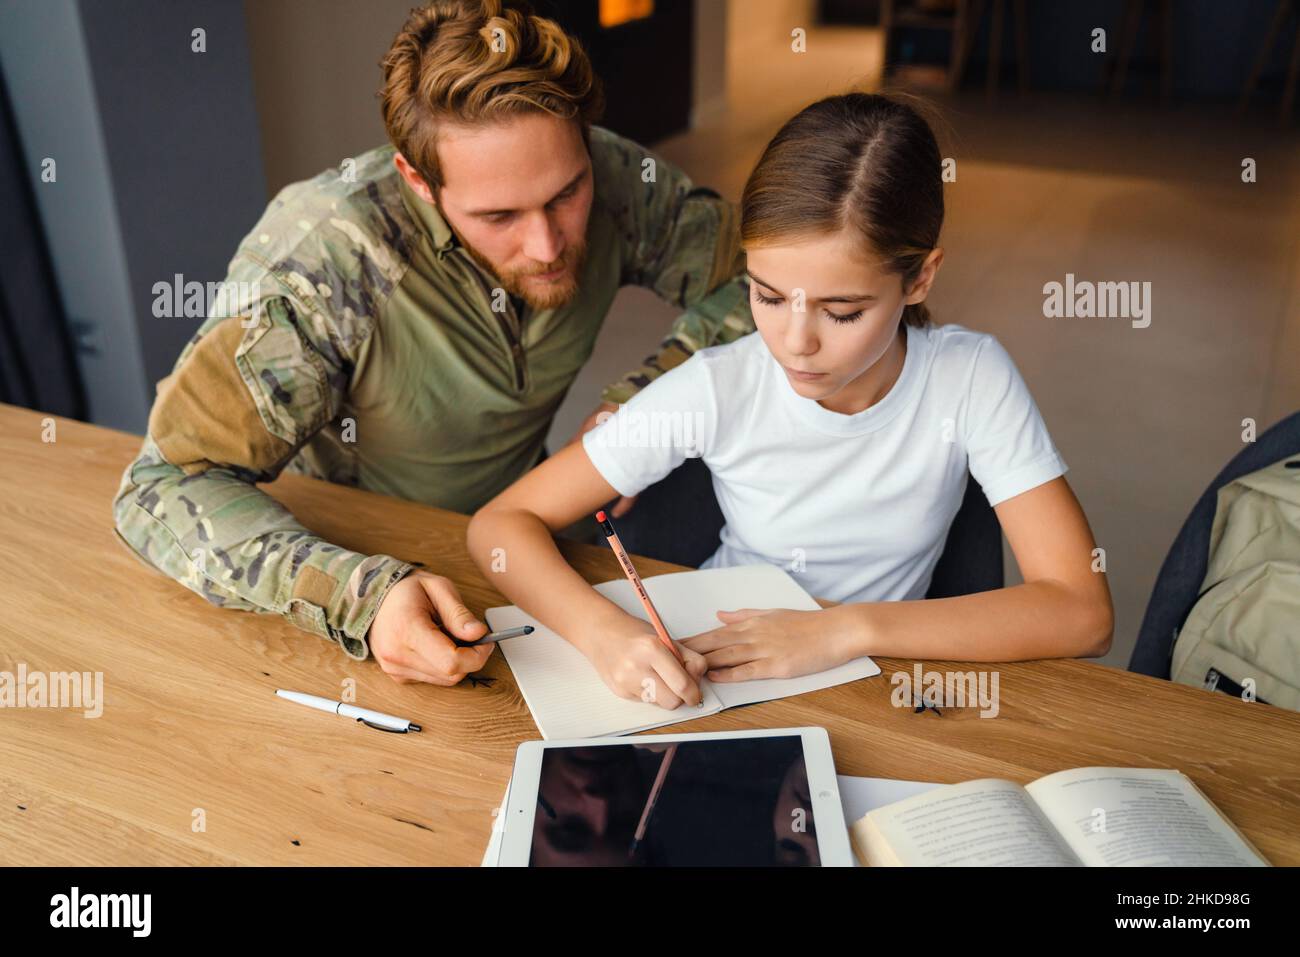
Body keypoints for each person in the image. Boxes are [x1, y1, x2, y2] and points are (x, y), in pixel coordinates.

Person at [111, 0, 752, 686]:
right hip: (361, 569)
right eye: (499, 216)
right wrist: (360, 595)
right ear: (418, 180)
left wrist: (637, 406)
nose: (547, 245)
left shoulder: (620, 179)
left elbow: (766, 280)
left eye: (567, 192)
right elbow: (159, 485)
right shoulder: (325, 265)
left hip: (532, 534)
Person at [468, 92, 1114, 710]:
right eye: (768, 296)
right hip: (719, 667)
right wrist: (603, 633)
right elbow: (500, 524)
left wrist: (842, 630)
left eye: (842, 311)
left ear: (920, 276)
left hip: (870, 681)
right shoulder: (722, 383)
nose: (795, 343)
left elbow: (1081, 611)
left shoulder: (970, 377)